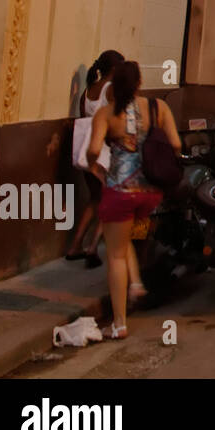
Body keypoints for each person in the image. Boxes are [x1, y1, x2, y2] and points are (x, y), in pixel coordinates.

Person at [87, 60, 181, 339]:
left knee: (115, 253)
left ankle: (119, 323)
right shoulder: (158, 107)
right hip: (151, 193)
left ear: (113, 85)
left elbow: (93, 150)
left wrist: (96, 168)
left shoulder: (105, 113)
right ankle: (137, 282)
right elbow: (176, 144)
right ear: (140, 82)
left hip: (120, 192)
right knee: (125, 237)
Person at [66, 49, 124, 268]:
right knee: (108, 198)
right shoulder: (110, 90)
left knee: (95, 198)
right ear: (115, 69)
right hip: (104, 151)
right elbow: (115, 118)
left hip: (85, 152)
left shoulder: (88, 91)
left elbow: (84, 119)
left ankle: (75, 245)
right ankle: (92, 247)